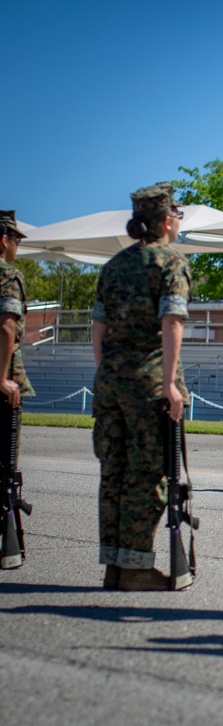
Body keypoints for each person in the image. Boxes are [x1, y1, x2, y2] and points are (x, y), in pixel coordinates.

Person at [91, 183, 192, 591]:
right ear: (166, 221)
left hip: (111, 381)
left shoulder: (114, 265)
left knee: (113, 472)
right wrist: (169, 383)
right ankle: (135, 567)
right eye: (178, 216)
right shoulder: (171, 262)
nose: (179, 222)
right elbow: (172, 321)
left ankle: (115, 565)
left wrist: (108, 373)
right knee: (148, 474)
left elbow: (98, 327)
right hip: (149, 381)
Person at [0, 211, 35, 569]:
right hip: (4, 380)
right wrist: (2, 377)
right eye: (15, 239)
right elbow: (7, 326)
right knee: (4, 465)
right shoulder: (8, 275)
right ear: (2, 239)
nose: (16, 246)